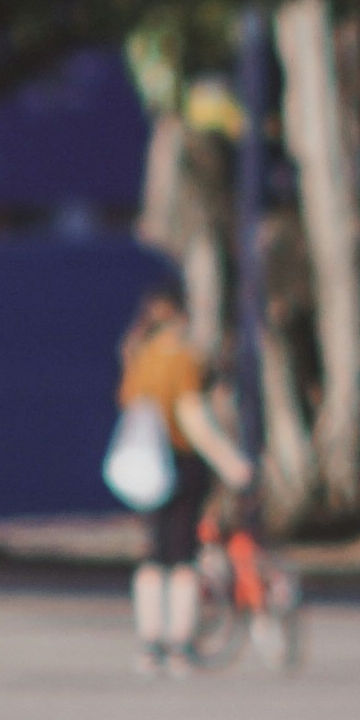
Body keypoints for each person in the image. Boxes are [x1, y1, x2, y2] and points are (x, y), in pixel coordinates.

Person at [109, 286, 256, 672]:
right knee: (182, 558)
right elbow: (192, 417)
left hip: (147, 465)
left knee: (153, 555)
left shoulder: (139, 356)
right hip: (182, 463)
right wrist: (230, 463)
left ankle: (148, 641)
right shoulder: (182, 358)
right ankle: (178, 643)